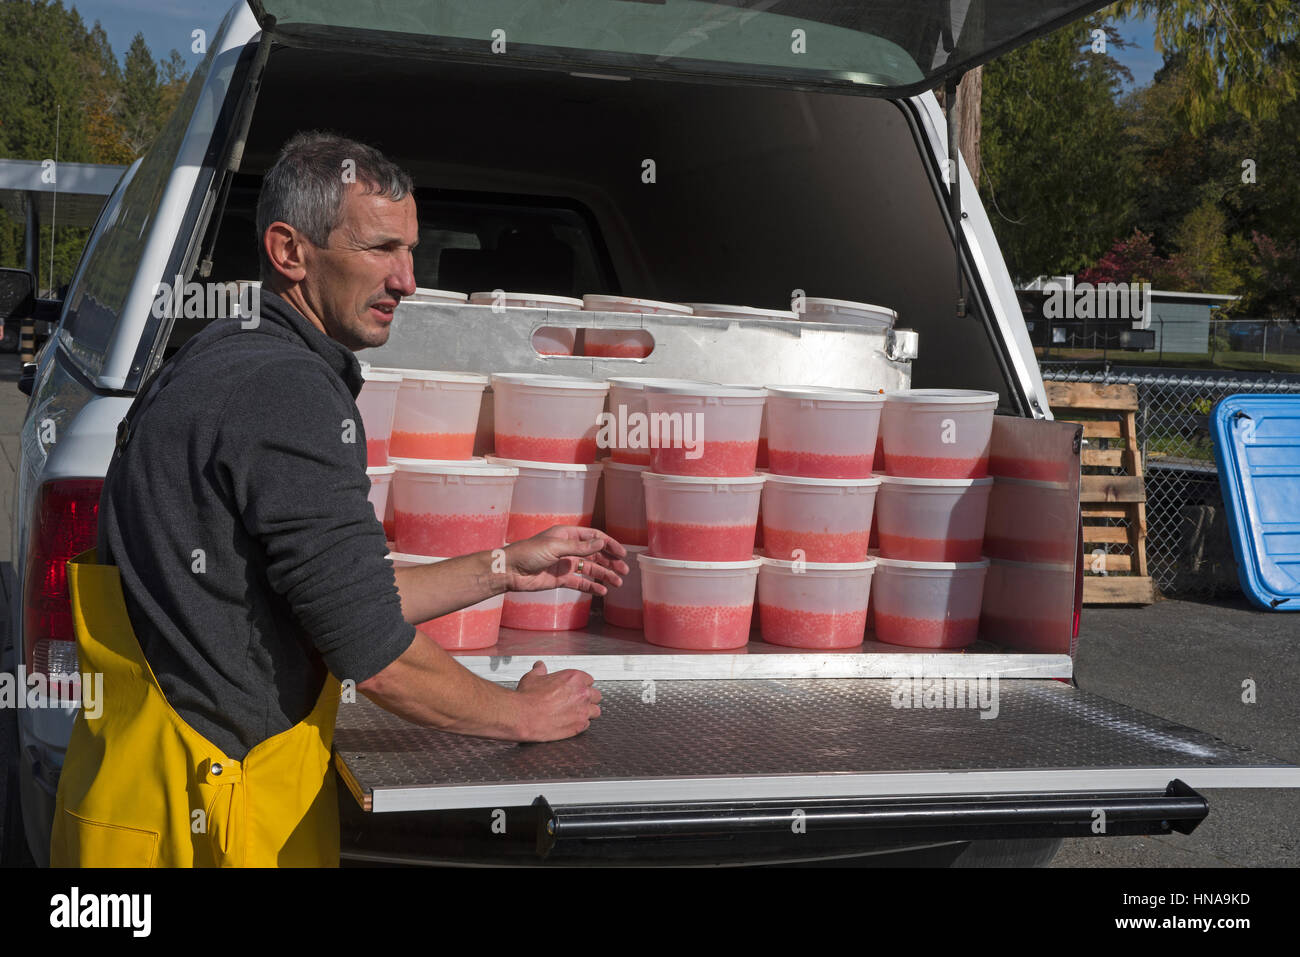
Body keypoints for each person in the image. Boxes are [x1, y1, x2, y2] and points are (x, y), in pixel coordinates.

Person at [50, 131, 626, 867]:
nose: (408, 280)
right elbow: (374, 654)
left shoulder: (218, 352)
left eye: (411, 251)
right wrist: (521, 711)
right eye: (382, 249)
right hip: (215, 824)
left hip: (129, 801)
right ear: (290, 251)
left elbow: (329, 595)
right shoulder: (287, 392)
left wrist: (504, 566)